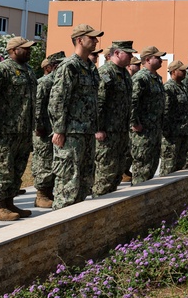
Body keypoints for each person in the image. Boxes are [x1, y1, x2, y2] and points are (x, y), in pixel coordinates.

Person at [49, 24, 104, 209]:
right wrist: (59, 129)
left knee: (84, 181)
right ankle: (58, 225)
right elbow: (58, 99)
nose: (96, 41)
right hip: (71, 132)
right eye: (92, 38)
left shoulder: (89, 67)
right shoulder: (69, 66)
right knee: (68, 182)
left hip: (87, 131)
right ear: (80, 40)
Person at [0, 37, 38, 221]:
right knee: (3, 169)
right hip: (4, 130)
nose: (29, 51)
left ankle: (9, 202)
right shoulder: (1, 70)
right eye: (25, 49)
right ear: (14, 50)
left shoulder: (29, 71)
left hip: (23, 130)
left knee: (17, 169)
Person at [93, 41, 136, 196]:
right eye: (128, 53)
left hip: (121, 130)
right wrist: (98, 128)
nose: (131, 56)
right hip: (108, 132)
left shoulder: (124, 74)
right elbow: (99, 102)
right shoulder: (106, 73)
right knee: (105, 173)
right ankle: (98, 205)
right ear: (117, 53)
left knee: (117, 172)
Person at [32, 51, 65, 208]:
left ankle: (49, 191)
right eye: (58, 64)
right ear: (51, 67)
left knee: (54, 160)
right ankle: (41, 195)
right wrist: (38, 126)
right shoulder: (45, 82)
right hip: (44, 129)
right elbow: (38, 106)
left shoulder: (60, 81)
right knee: (44, 161)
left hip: (55, 128)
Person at [130, 47, 166, 183]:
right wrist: (134, 123)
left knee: (151, 166)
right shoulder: (141, 78)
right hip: (143, 132)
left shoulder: (157, 78)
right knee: (142, 169)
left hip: (154, 129)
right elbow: (132, 101)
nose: (161, 60)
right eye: (157, 57)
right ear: (147, 60)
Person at [160, 60, 188, 175]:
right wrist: (167, 131)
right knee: (169, 167)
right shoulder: (169, 88)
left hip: (183, 132)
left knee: (180, 167)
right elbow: (165, 111)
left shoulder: (183, 87)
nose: (185, 72)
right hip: (172, 135)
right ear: (173, 72)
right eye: (182, 70)